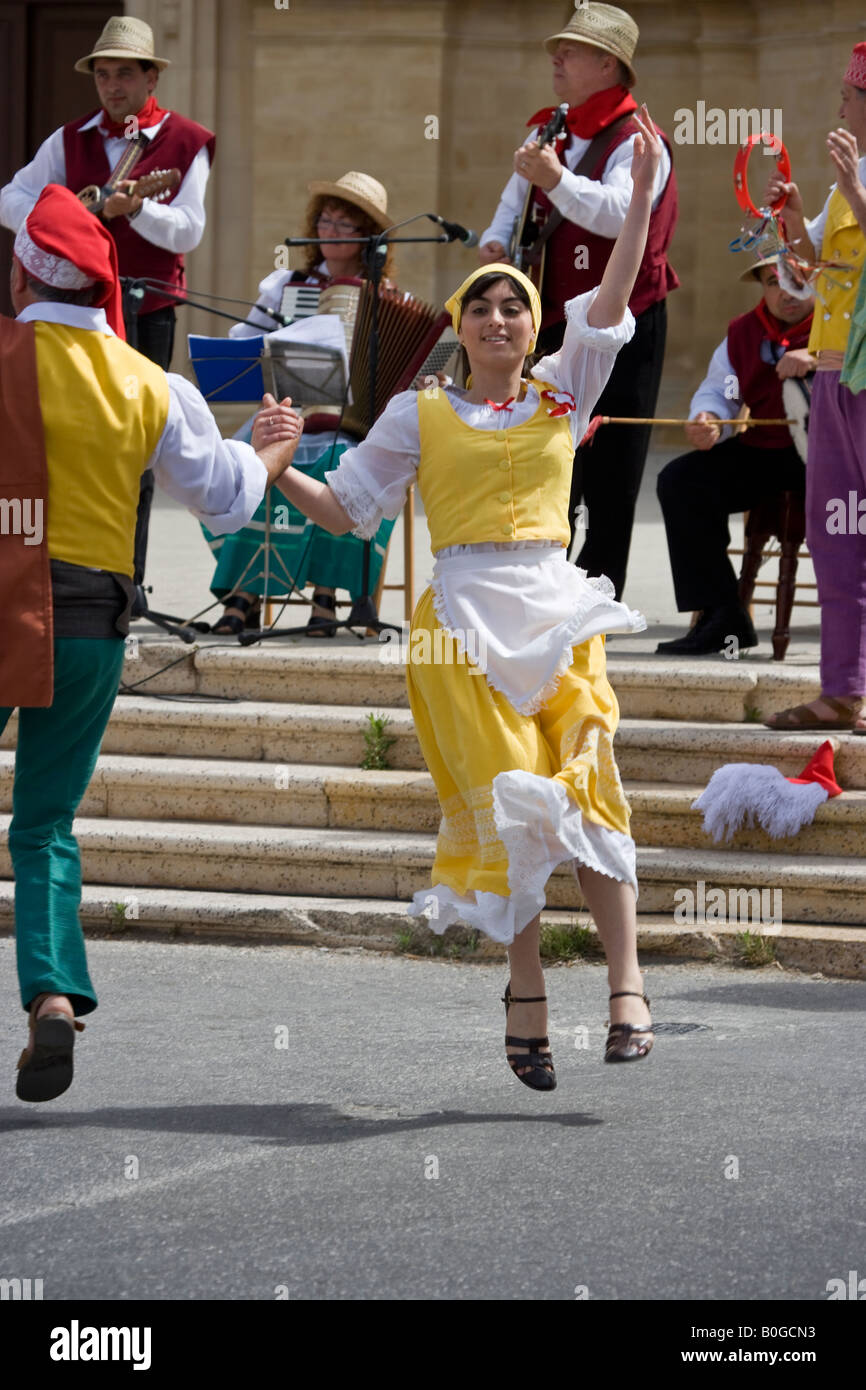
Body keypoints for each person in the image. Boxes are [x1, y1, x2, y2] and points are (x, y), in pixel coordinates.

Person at [256, 108, 663, 1091]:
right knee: (509, 808)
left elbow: (610, 293)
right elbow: (349, 511)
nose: (494, 321)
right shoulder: (417, 410)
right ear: (460, 328)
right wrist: (273, 467)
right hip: (461, 628)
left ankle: (625, 985)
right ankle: (524, 992)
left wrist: (640, 197)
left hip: (557, 609)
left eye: (510, 308)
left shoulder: (567, 386)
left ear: (530, 324)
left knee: (587, 785)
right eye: (477, 309)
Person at [0, 185, 301, 1103]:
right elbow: (227, 496)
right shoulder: (146, 382)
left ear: (22, 272)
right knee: (45, 822)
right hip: (90, 622)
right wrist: (273, 448)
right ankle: (51, 997)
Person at [0, 15, 216, 591]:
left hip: (146, 309)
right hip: (70, 311)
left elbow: (189, 229)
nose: (112, 86)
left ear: (151, 78)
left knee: (136, 443)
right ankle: (45, 564)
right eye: (102, 75)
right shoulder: (69, 140)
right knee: (53, 434)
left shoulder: (186, 141)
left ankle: (130, 578)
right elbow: (10, 199)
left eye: (124, 73)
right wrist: (65, 217)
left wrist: (139, 211)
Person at [478, 2, 677, 600]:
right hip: (553, 316)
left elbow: (620, 215)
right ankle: (542, 587)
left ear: (608, 63)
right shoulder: (549, 125)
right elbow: (516, 197)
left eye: (571, 50)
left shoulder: (642, 142)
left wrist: (555, 179)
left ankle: (600, 598)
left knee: (613, 463)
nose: (557, 58)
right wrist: (497, 236)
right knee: (548, 453)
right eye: (558, 50)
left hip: (624, 319)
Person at [205, 172, 398, 637]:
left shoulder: (387, 298)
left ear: (369, 238)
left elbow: (398, 374)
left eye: (345, 225)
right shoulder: (287, 286)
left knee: (341, 464)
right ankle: (245, 592)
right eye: (325, 221)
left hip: (352, 424)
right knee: (250, 459)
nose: (329, 232)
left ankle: (325, 596)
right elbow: (242, 343)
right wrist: (278, 338)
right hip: (288, 411)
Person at [761, 42, 866, 730]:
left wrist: (855, 188)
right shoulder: (842, 185)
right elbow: (804, 279)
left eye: (848, 97)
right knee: (837, 533)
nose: (839, 107)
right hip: (834, 377)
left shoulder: (852, 180)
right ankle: (842, 690)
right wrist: (797, 223)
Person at [656, 257, 815, 655]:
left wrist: (820, 361)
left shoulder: (839, 326)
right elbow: (722, 390)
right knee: (682, 480)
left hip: (827, 457)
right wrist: (708, 418)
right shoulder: (743, 332)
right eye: (773, 282)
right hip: (764, 451)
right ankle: (723, 614)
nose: (785, 292)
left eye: (797, 280)